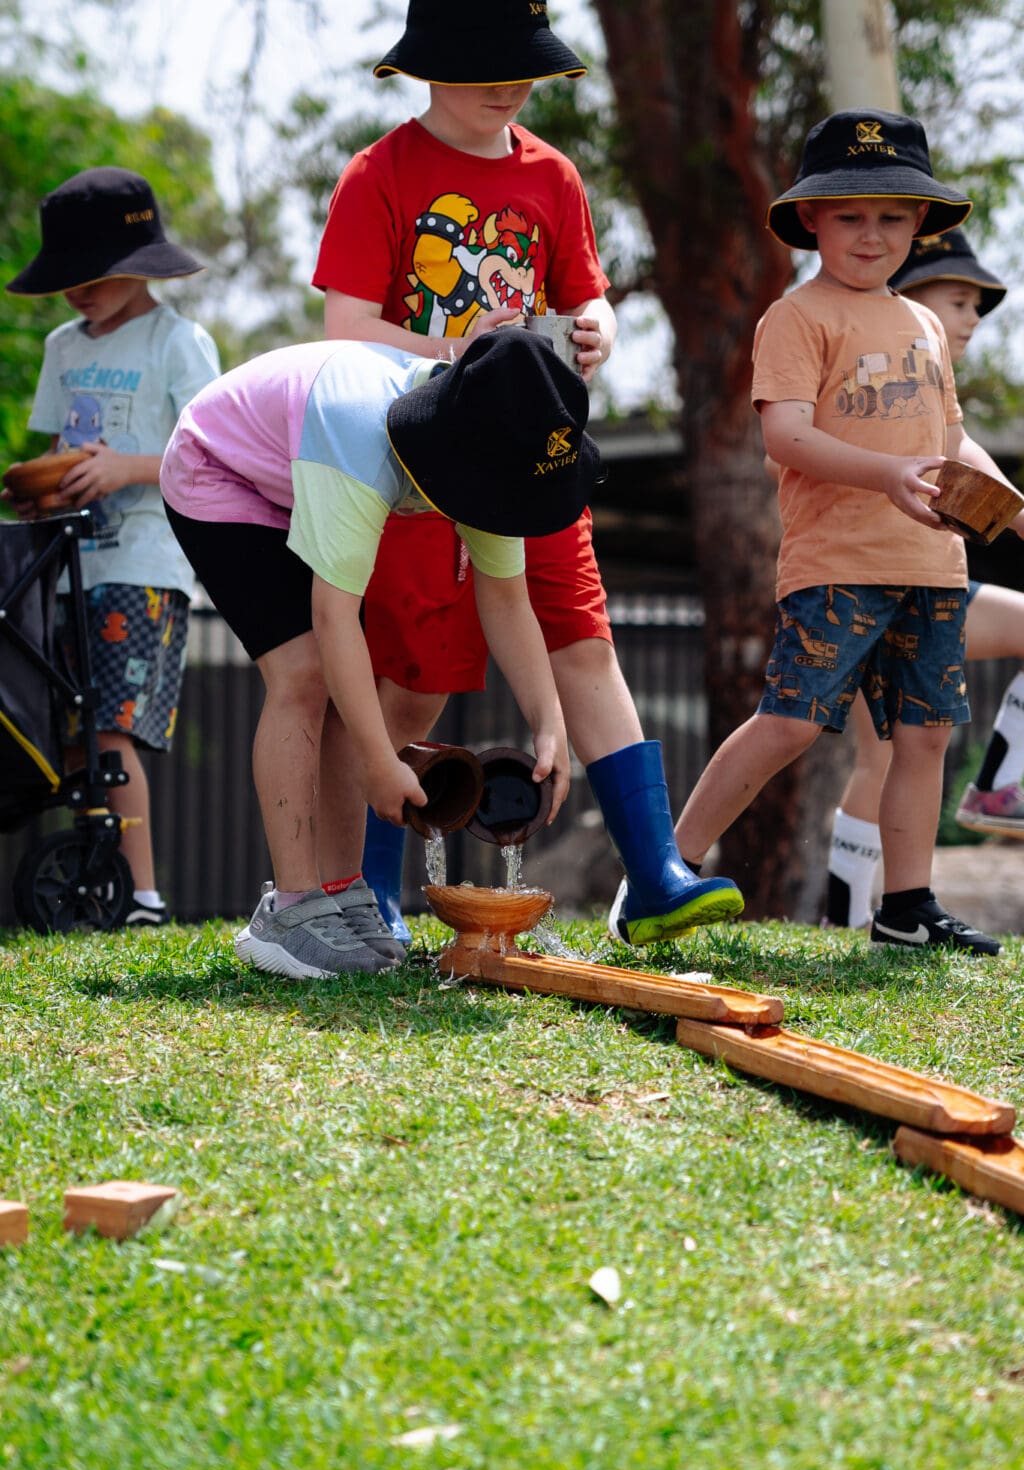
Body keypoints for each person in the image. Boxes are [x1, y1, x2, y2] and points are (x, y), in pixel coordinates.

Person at [311, 0, 743, 949]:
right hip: (414, 464)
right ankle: (373, 894)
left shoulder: (553, 172)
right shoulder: (378, 173)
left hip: (533, 452)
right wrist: (461, 345)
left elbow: (585, 296)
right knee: (412, 682)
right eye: (483, 67)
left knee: (586, 641)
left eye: (524, 68)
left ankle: (657, 872)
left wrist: (601, 330)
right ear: (425, 65)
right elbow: (344, 331)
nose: (508, 87)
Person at [669, 108, 1023, 957]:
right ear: (812, 220)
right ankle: (665, 870)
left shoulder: (925, 323)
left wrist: (1003, 493)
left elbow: (946, 438)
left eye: (894, 217)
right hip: (837, 565)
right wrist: (886, 476)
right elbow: (783, 437)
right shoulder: (796, 316)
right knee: (791, 723)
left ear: (921, 225)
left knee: (926, 736)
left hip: (933, 564)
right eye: (852, 214)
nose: (873, 234)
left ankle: (906, 908)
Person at [160, 326, 597, 980]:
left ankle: (342, 892)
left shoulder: (489, 455)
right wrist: (376, 759)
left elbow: (506, 602)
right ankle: (291, 909)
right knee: (304, 676)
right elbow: (333, 619)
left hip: (290, 478)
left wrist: (550, 725)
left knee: (343, 687)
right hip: (215, 467)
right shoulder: (359, 435)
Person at [6, 167, 220, 925]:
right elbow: (63, 448)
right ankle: (90, 880)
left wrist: (126, 468)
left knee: (111, 730)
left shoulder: (178, 340)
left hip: (145, 563)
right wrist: (36, 488)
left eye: (90, 273)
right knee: (68, 736)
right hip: (64, 567)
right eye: (65, 277)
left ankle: (143, 895)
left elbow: (214, 454)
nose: (76, 291)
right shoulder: (64, 346)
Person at [824, 228, 1024, 928]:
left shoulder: (934, 382)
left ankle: (998, 786)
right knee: (877, 759)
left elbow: (960, 448)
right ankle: (849, 914)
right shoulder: (857, 361)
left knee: (891, 756)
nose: (973, 318)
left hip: (931, 582)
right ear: (909, 294)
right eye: (961, 299)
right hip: (859, 583)